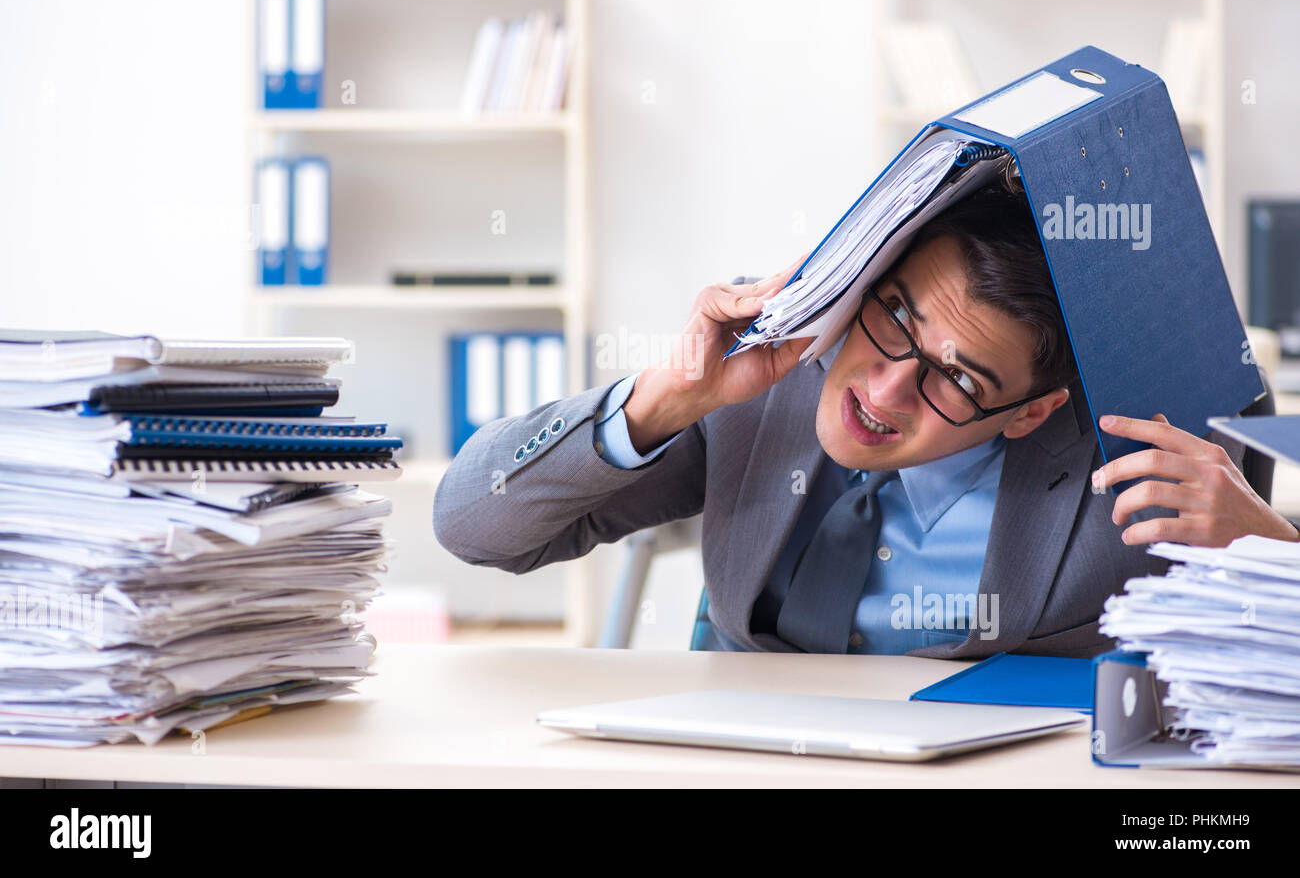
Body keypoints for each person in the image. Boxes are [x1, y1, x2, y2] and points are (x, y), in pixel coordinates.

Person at [433, 187, 1297, 657]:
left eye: (956, 379)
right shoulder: (758, 382)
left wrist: (1268, 549)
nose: (884, 391)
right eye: (894, 317)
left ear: (1030, 409)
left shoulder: (1134, 470)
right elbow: (473, 525)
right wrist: (661, 400)